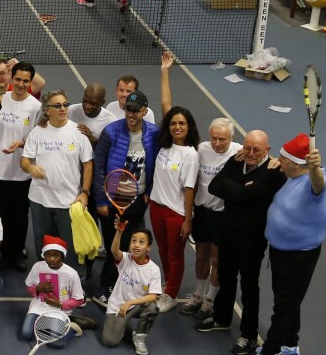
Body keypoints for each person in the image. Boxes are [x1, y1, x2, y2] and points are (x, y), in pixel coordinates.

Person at [240, 135, 326, 355]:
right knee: (288, 300)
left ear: (296, 163)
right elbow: (287, 165)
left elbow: (318, 182)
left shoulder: (315, 182)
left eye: (283, 159)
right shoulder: (293, 175)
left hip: (298, 258)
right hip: (281, 252)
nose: (278, 162)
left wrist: (314, 168)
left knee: (284, 306)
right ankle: (290, 345)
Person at [200, 130, 286, 355]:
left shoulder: (273, 172)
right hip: (228, 231)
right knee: (226, 276)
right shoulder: (236, 160)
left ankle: (248, 334)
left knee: (249, 286)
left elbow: (242, 194)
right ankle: (222, 318)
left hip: (252, 238)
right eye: (247, 148)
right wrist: (240, 189)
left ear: (267, 150)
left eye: (257, 150)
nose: (251, 153)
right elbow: (214, 186)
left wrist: (234, 187)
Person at [90, 89, 158, 306]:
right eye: (128, 109)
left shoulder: (154, 134)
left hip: (136, 201)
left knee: (127, 244)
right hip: (113, 199)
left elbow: (158, 165)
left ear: (145, 111)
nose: (131, 114)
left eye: (136, 111)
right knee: (113, 243)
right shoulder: (111, 132)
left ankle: (120, 285)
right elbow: (99, 167)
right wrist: (101, 200)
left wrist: (148, 192)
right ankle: (105, 287)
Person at [21, 89, 93, 269]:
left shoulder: (78, 132)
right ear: (47, 110)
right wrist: (31, 167)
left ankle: (75, 280)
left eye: (65, 105)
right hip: (40, 200)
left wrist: (84, 192)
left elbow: (88, 165)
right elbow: (25, 160)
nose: (63, 109)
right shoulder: (37, 132)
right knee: (43, 246)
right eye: (57, 106)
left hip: (69, 201)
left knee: (71, 247)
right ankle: (45, 277)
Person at [0, 62, 41, 271]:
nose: (21, 84)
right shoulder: (0, 99)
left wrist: (22, 144)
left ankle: (16, 253)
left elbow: (38, 138)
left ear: (30, 82)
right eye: (18, 79)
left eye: (26, 81)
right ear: (11, 78)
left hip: (21, 173)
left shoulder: (35, 106)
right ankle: (3, 254)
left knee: (19, 216)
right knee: (0, 214)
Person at [184, 118, 240, 317]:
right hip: (202, 212)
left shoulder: (239, 151)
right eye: (214, 138)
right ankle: (198, 294)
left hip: (222, 216)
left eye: (222, 139)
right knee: (201, 255)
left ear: (231, 138)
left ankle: (210, 299)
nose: (217, 143)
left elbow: (262, 156)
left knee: (216, 259)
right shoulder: (201, 150)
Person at [148, 105, 200, 307]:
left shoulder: (190, 155)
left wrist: (188, 220)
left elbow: (189, 189)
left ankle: (171, 295)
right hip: (156, 208)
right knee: (162, 250)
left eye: (182, 123)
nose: (177, 127)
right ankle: (168, 283)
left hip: (175, 213)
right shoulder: (165, 146)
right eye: (173, 123)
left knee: (175, 255)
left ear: (189, 127)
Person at [100, 220, 161, 355]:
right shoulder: (125, 259)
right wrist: (119, 232)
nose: (136, 245)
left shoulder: (153, 269)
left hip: (136, 305)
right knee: (109, 341)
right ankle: (120, 324)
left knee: (152, 308)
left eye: (141, 242)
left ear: (149, 248)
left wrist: (130, 302)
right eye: (134, 241)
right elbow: (114, 250)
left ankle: (139, 337)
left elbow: (153, 296)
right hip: (117, 306)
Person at [22, 236, 85, 349]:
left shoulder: (71, 274)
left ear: (62, 257)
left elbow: (79, 300)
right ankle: (57, 326)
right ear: (44, 255)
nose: (51, 259)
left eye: (56, 255)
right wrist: (38, 288)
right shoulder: (37, 266)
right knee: (26, 334)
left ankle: (72, 328)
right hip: (39, 307)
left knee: (56, 343)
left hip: (59, 310)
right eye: (48, 255)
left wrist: (60, 304)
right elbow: (28, 286)